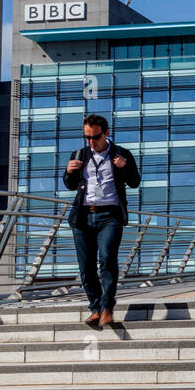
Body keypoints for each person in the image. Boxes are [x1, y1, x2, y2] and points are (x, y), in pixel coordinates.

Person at [63, 113, 141, 327]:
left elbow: (134, 182)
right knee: (86, 267)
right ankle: (96, 308)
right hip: (82, 217)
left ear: (106, 133)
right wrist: (68, 173)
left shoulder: (121, 154)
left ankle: (107, 306)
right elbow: (70, 185)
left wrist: (124, 166)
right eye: (86, 137)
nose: (91, 142)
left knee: (107, 259)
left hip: (110, 216)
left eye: (95, 137)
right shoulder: (79, 154)